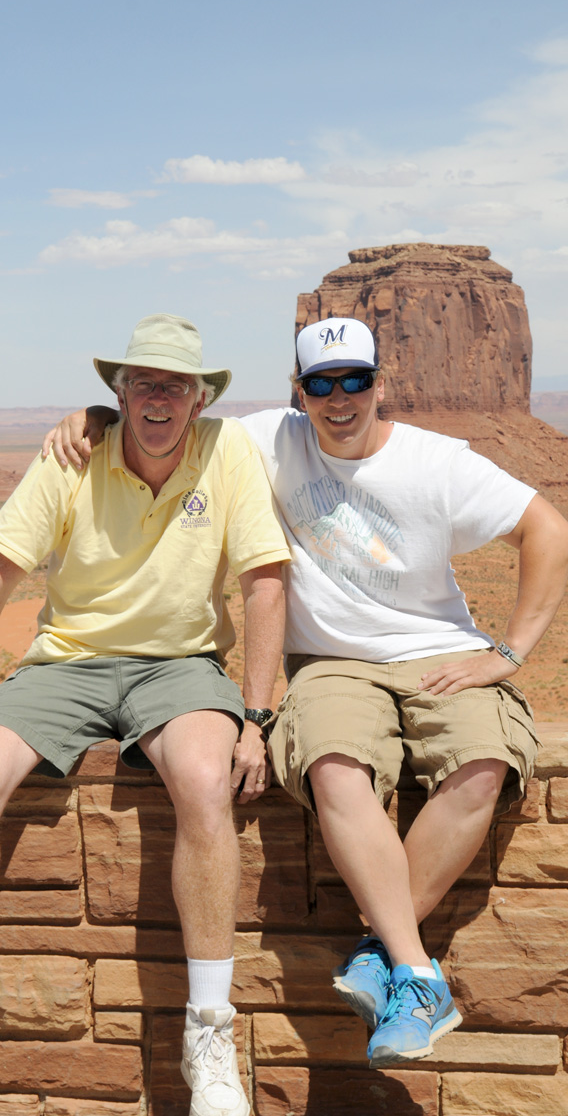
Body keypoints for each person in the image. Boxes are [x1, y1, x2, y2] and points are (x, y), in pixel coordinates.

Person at [44, 315, 568, 1070]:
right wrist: (96, 417)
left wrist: (510, 653)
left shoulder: (440, 462)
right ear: (299, 392)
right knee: (332, 762)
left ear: (380, 384)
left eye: (355, 380)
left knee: (483, 764)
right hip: (330, 662)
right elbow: (168, 420)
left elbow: (547, 531)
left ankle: (382, 950)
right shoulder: (268, 440)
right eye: (322, 384)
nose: (340, 398)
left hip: (442, 653)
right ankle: (420, 978)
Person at [0, 312, 289, 1116]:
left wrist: (256, 716)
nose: (160, 398)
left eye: (176, 385)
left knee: (201, 775)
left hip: (179, 666)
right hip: (69, 662)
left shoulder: (227, 453)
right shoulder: (71, 455)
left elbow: (264, 583)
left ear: (199, 397)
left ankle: (210, 1035)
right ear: (119, 393)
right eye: (143, 382)